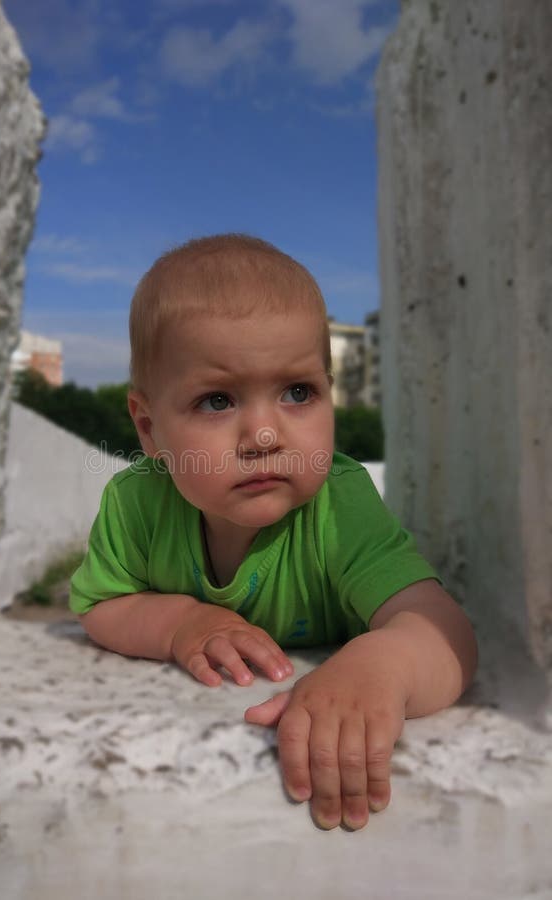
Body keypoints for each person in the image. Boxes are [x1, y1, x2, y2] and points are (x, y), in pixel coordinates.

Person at [70, 234, 478, 831]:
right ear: (150, 429)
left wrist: (383, 664)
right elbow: (101, 605)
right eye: (216, 400)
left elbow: (444, 632)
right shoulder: (136, 504)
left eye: (297, 392)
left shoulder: (340, 502)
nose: (264, 435)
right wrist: (180, 622)